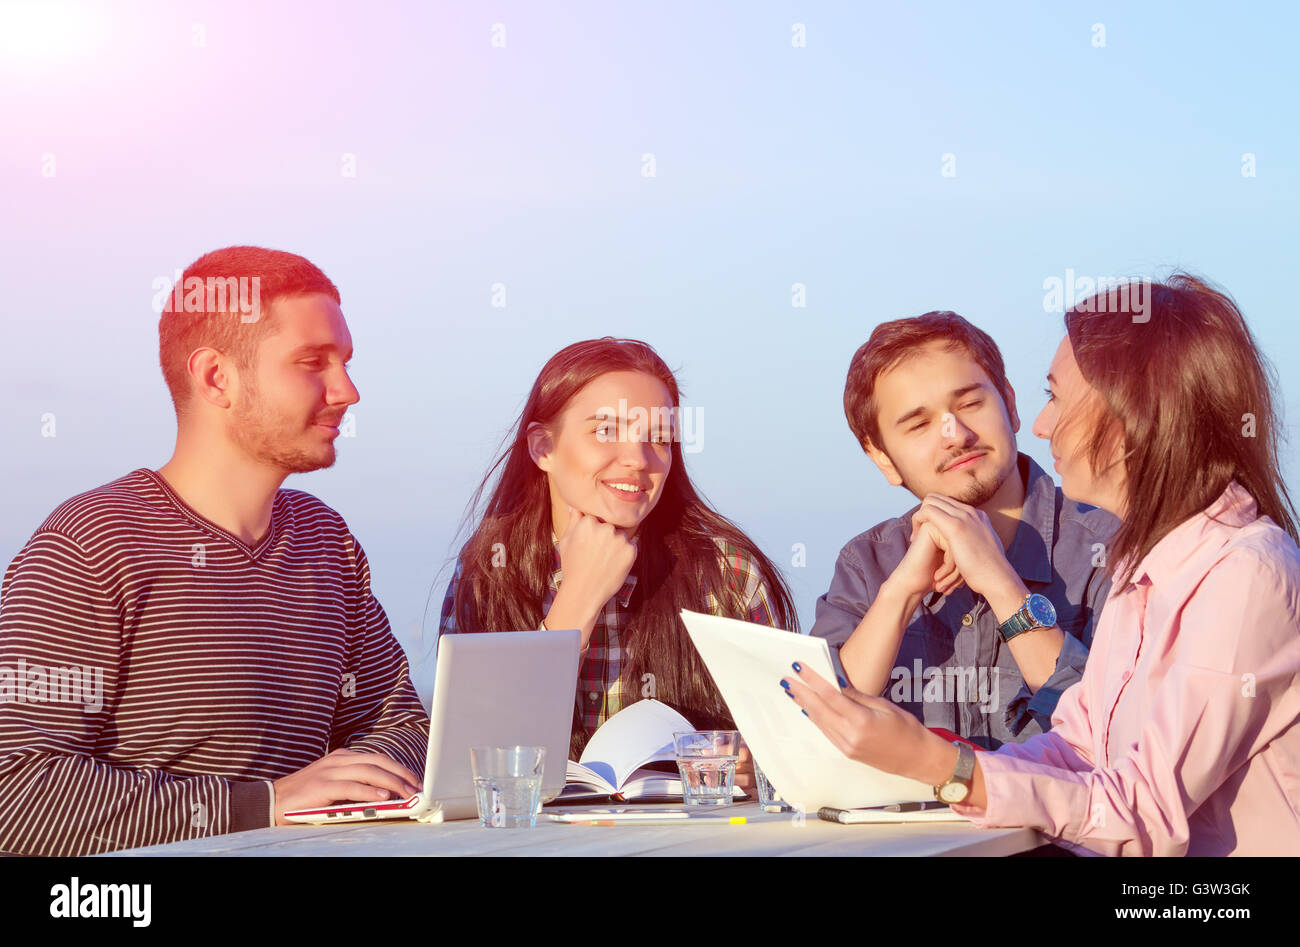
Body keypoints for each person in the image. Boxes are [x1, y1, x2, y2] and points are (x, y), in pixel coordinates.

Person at [786, 274, 1300, 856]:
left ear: (1136, 410)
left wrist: (939, 763)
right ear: (881, 456)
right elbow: (1080, 746)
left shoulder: (1242, 572)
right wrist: (946, 769)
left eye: (1055, 398)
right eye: (919, 422)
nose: (1041, 424)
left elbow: (1141, 811)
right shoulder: (1149, 568)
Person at [0, 246, 428, 856]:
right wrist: (268, 804)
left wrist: (358, 780)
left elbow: (404, 725)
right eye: (313, 362)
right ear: (216, 377)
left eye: (346, 363)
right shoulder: (91, 544)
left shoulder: (326, 541)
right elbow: (16, 792)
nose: (347, 391)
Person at [437, 337, 798, 787]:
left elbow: (797, 741)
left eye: (659, 439)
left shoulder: (727, 572)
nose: (637, 459)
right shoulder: (488, 571)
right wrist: (578, 600)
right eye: (606, 430)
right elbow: (470, 766)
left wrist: (755, 762)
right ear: (542, 448)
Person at [810, 312, 1116, 748]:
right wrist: (899, 595)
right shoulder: (869, 563)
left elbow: (1114, 732)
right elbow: (813, 735)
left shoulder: (1109, 548)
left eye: (971, 404)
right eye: (919, 425)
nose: (955, 436)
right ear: (881, 458)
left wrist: (1000, 581)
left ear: (1009, 405)